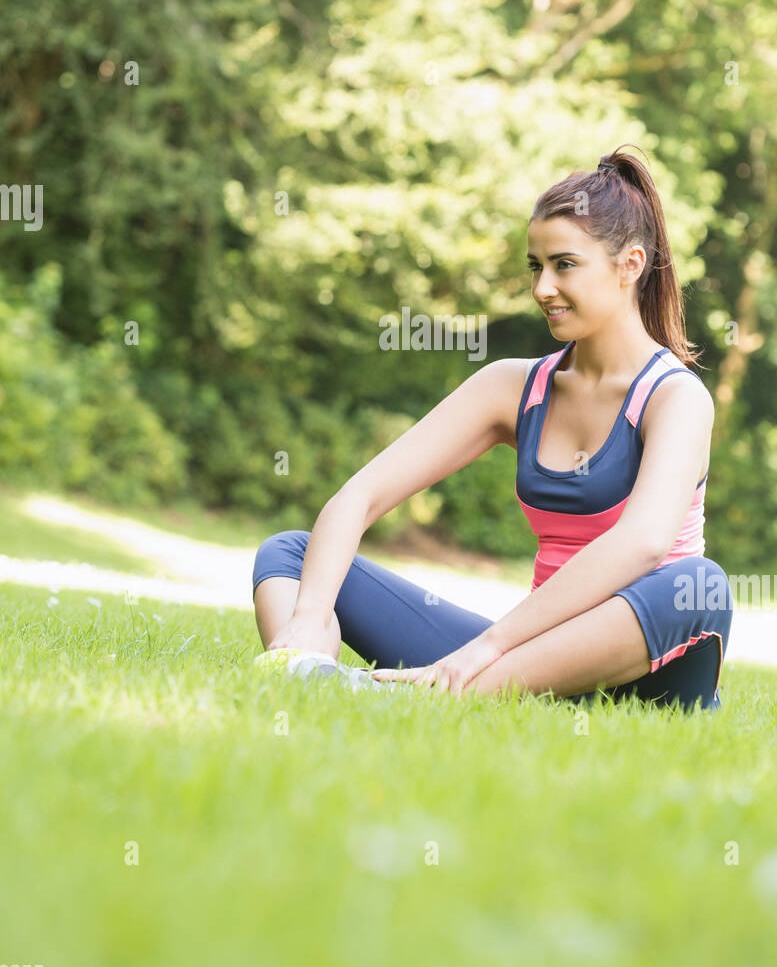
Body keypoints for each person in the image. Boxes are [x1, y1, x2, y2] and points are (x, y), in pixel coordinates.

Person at [252, 146, 733, 713]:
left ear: (630, 265)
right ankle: (312, 671)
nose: (542, 289)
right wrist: (309, 619)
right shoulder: (515, 387)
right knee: (290, 555)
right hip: (531, 666)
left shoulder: (675, 397)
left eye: (565, 264)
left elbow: (643, 544)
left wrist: (482, 650)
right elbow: (359, 495)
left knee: (697, 586)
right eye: (536, 266)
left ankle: (440, 692)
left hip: (646, 665)